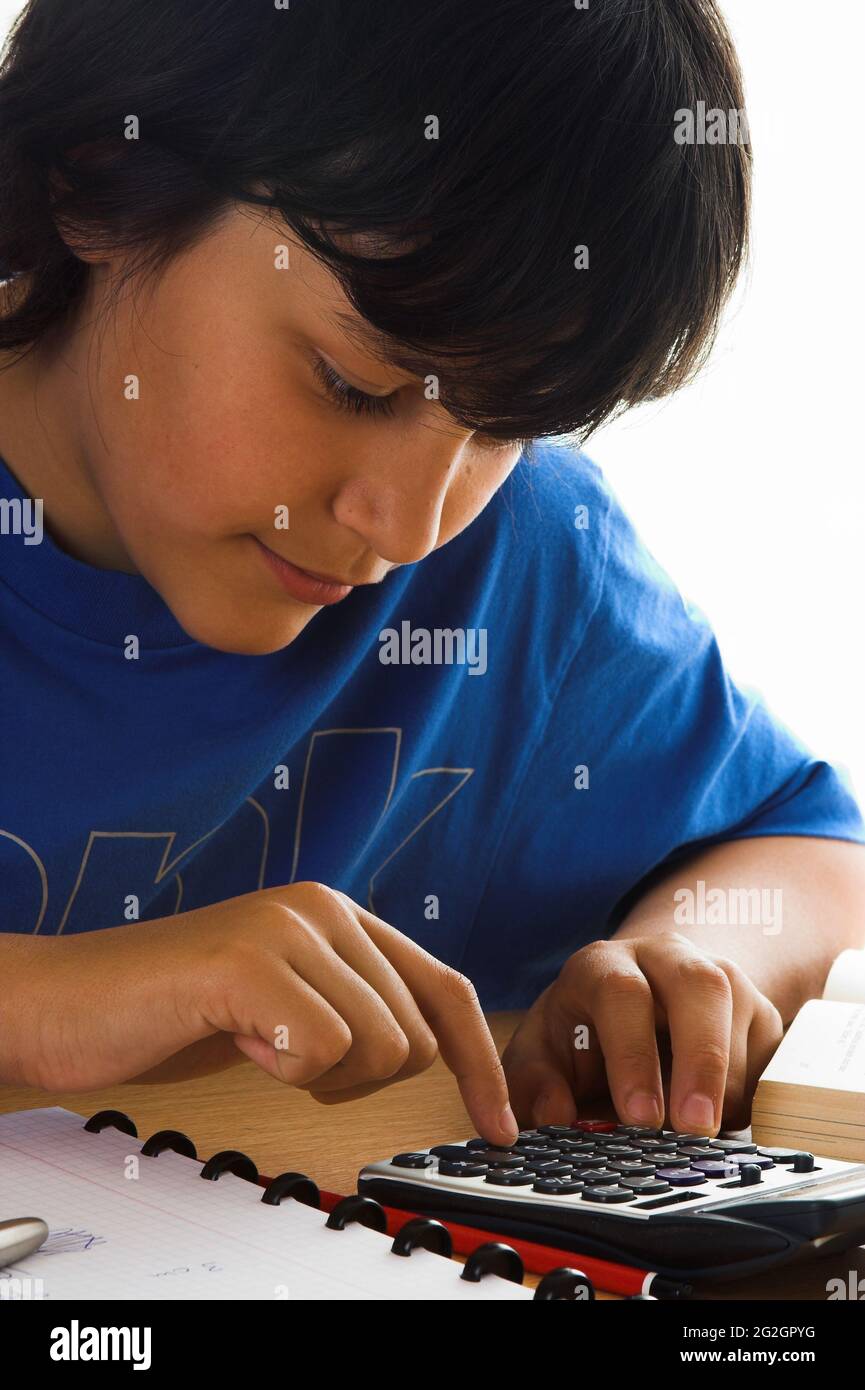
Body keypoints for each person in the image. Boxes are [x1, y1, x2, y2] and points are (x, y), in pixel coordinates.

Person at [0, 0, 862, 1143]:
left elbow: (807, 847)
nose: (407, 526)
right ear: (101, 176)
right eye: (354, 384)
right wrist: (38, 1006)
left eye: (502, 427)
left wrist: (684, 964)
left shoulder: (515, 563)